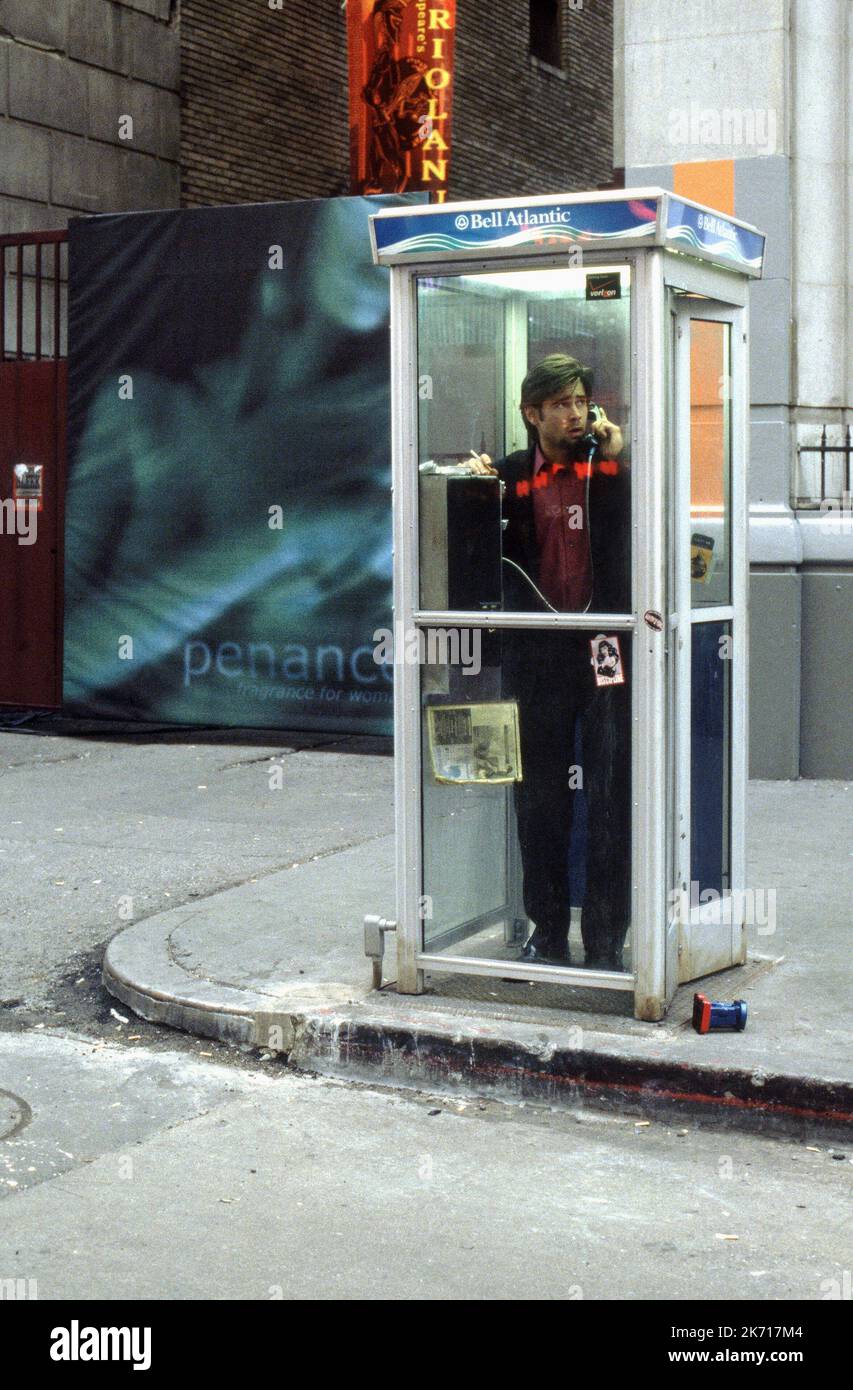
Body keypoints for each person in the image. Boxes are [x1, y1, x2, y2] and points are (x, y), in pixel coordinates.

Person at [469, 354, 631, 970]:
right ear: (531, 413)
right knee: (539, 797)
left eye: (581, 401)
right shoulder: (509, 477)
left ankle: (607, 938)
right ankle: (548, 928)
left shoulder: (606, 468)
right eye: (560, 403)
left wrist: (618, 459)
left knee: (611, 792)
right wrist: (475, 489)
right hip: (537, 652)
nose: (574, 413)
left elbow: (638, 535)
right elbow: (481, 557)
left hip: (604, 647)